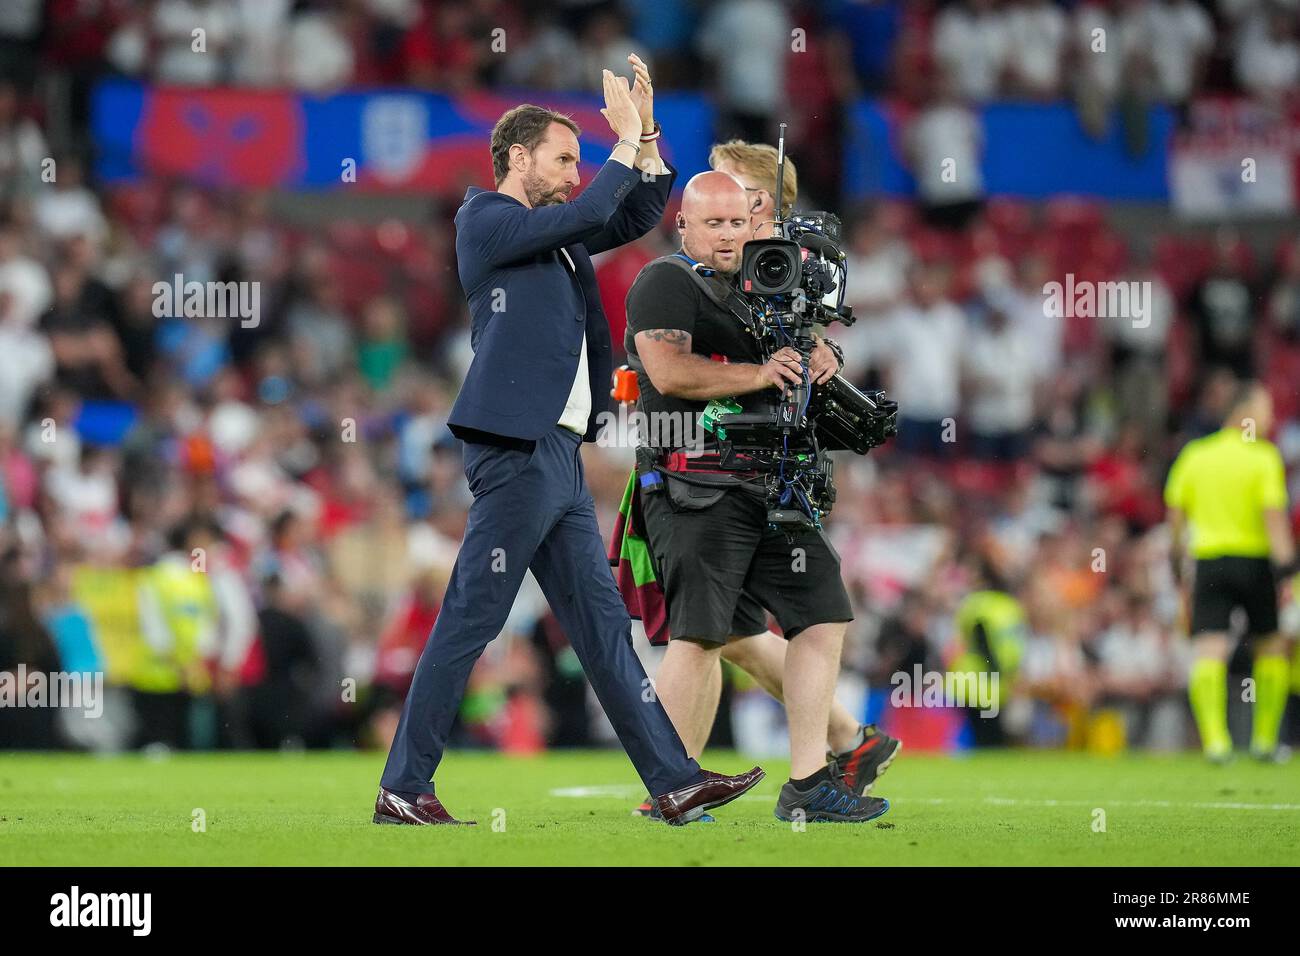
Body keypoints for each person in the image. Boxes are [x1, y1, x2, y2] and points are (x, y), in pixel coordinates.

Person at [374, 57, 764, 826]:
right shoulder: (483, 217)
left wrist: (646, 135)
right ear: (516, 158)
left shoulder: (554, 237)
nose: (572, 173)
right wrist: (620, 148)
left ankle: (673, 781)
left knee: (600, 630)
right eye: (562, 159)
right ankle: (403, 785)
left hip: (554, 455)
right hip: (516, 449)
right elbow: (593, 210)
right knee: (471, 618)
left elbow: (632, 211)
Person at [624, 141, 900, 818]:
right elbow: (669, 374)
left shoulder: (771, 290)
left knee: (823, 611)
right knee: (702, 636)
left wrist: (821, 352)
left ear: (760, 217)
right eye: (712, 221)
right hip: (696, 482)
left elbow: (802, 351)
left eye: (740, 218)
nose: (731, 230)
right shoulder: (666, 279)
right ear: (683, 226)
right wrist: (760, 374)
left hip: (774, 482)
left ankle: (809, 783)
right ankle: (676, 786)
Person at [1165, 381, 1298, 762]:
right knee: (1271, 645)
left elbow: (1175, 517)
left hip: (1209, 562)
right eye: (1265, 408)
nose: (1270, 416)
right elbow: (1273, 519)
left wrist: (1177, 563)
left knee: (1209, 648)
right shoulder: (1263, 457)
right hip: (1255, 562)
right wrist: (1287, 571)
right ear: (1244, 413)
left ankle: (1216, 742)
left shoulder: (1195, 454)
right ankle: (1264, 742)